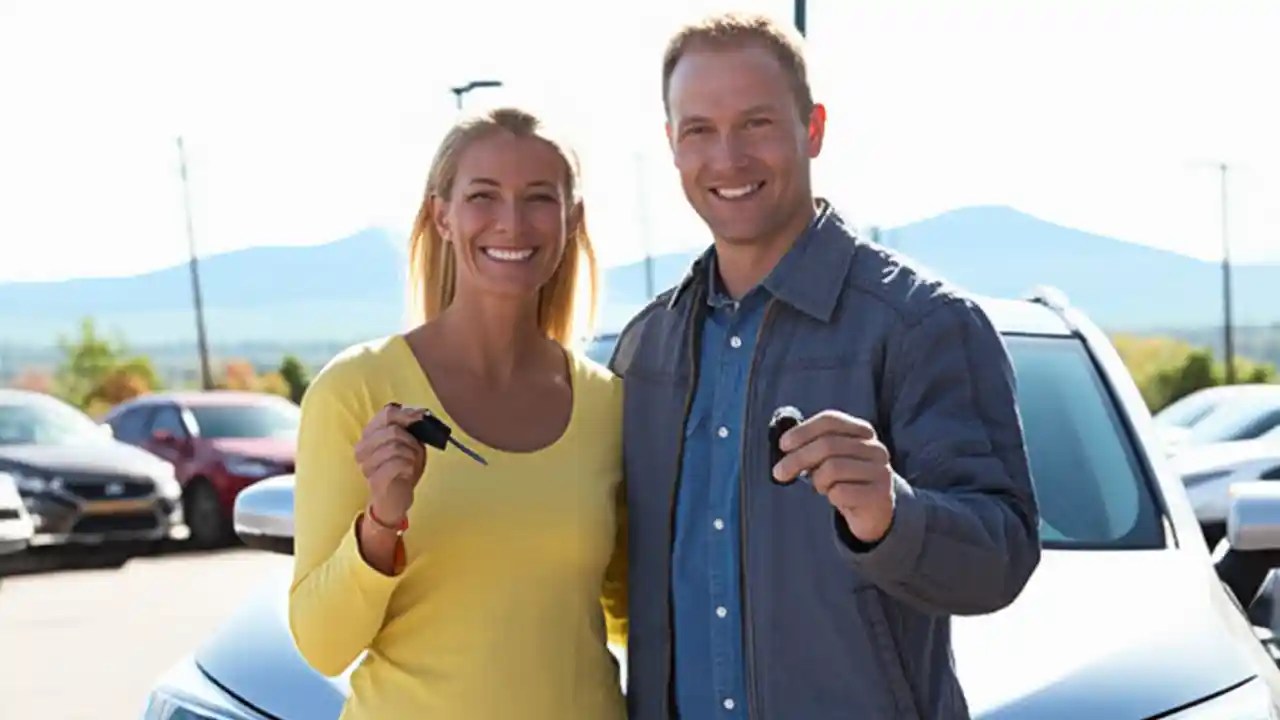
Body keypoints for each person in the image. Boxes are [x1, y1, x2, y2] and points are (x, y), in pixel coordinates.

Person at [608, 13, 1041, 719]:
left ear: (813, 129)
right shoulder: (645, 350)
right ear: (672, 146)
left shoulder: (923, 325)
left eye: (755, 124)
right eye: (700, 131)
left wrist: (891, 517)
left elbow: (1002, 559)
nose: (728, 158)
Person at [288, 107, 628, 720]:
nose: (511, 222)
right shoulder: (356, 390)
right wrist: (382, 522)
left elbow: (641, 615)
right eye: (483, 195)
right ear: (440, 215)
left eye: (539, 198)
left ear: (572, 220)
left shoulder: (610, 404)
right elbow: (323, 645)